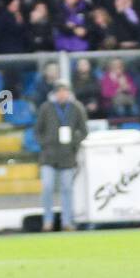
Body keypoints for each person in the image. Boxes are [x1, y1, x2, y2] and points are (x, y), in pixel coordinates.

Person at [34, 81, 87, 231]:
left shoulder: (76, 108)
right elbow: (37, 130)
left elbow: (84, 131)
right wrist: (45, 143)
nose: (62, 94)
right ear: (55, 93)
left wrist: (73, 142)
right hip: (48, 156)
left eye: (64, 91)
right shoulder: (46, 108)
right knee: (48, 187)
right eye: (59, 91)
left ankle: (67, 221)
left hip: (67, 156)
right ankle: (47, 221)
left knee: (67, 189)